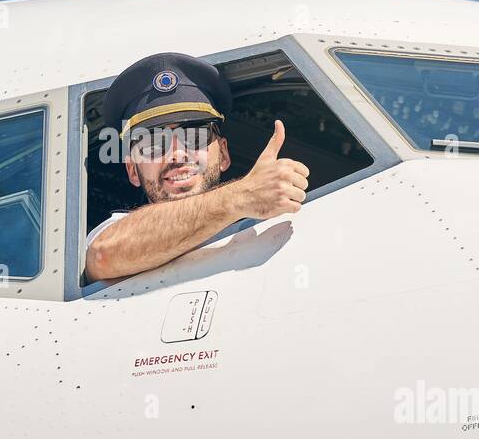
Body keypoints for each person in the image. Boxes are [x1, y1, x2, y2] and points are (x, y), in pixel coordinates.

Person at [84, 52, 310, 283]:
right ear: (132, 170)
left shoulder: (274, 224)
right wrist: (241, 196)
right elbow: (103, 255)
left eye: (194, 137)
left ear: (223, 154)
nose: (177, 154)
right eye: (153, 145)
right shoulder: (116, 232)